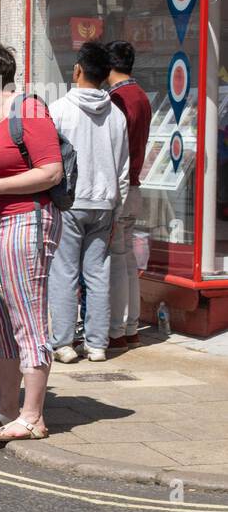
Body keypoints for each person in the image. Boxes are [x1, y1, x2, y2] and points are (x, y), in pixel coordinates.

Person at [0, 41, 63, 441]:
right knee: (2, 319)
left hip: (27, 222)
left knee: (27, 317)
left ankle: (33, 415)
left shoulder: (30, 110)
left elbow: (51, 171)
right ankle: (6, 409)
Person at [48, 42, 129, 364]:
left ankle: (64, 342)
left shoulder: (59, 110)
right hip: (105, 201)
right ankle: (97, 343)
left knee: (64, 271)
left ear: (78, 70)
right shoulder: (117, 115)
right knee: (98, 272)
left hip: (70, 200)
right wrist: (117, 205)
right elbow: (123, 166)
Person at [106, 40, 152, 350]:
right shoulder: (141, 97)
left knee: (117, 259)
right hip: (134, 184)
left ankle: (118, 330)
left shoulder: (118, 99)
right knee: (127, 259)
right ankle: (131, 326)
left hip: (121, 186)